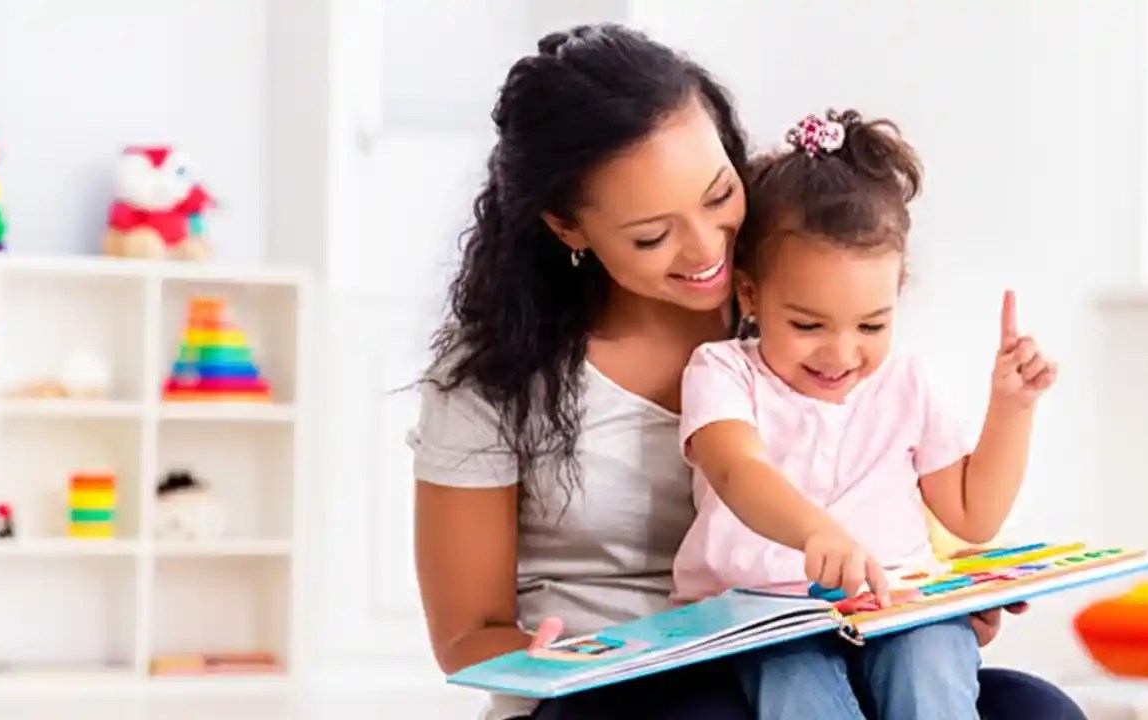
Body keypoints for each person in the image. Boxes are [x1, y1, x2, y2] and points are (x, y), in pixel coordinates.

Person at [410, 22, 1084, 720]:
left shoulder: (802, 307)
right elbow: (466, 633)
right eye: (652, 234)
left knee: (1037, 711)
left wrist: (939, 596)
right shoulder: (496, 377)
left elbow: (899, 483)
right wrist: (542, 657)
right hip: (622, 691)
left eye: (717, 196)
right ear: (567, 227)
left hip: (820, 636)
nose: (708, 249)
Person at [671, 109, 1057, 720]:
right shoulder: (722, 371)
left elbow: (973, 514)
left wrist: (1013, 408)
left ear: (895, 296)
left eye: (871, 325)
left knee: (933, 664)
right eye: (807, 325)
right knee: (796, 687)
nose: (841, 354)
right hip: (764, 616)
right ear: (750, 295)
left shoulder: (908, 382)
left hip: (897, 604)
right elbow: (737, 469)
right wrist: (814, 532)